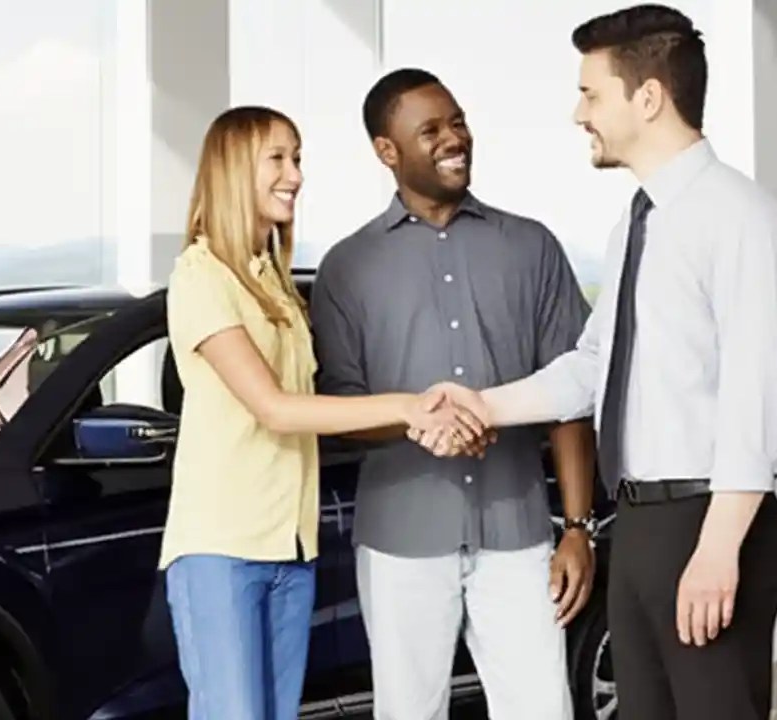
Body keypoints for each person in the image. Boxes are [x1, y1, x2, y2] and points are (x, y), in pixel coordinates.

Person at [443, 5, 777, 719]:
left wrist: (717, 548)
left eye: (591, 94)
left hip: (708, 522)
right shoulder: (636, 225)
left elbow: (756, 397)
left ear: (649, 97)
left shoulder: (741, 219)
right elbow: (594, 364)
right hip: (637, 525)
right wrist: (482, 405)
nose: (579, 113)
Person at [160, 105, 483, 720]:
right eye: (278, 159)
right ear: (234, 169)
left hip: (292, 548)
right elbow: (276, 409)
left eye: (298, 158)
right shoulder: (200, 277)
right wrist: (410, 406)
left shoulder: (274, 283)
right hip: (221, 548)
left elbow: (318, 402)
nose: (296, 175)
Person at [309, 68, 597, 719]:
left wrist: (578, 528)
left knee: (543, 710)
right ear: (387, 150)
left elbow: (572, 394)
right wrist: (422, 422)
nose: (454, 139)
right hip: (400, 540)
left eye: (458, 122)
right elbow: (340, 409)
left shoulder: (531, 247)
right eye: (431, 130)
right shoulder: (347, 268)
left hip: (519, 533)